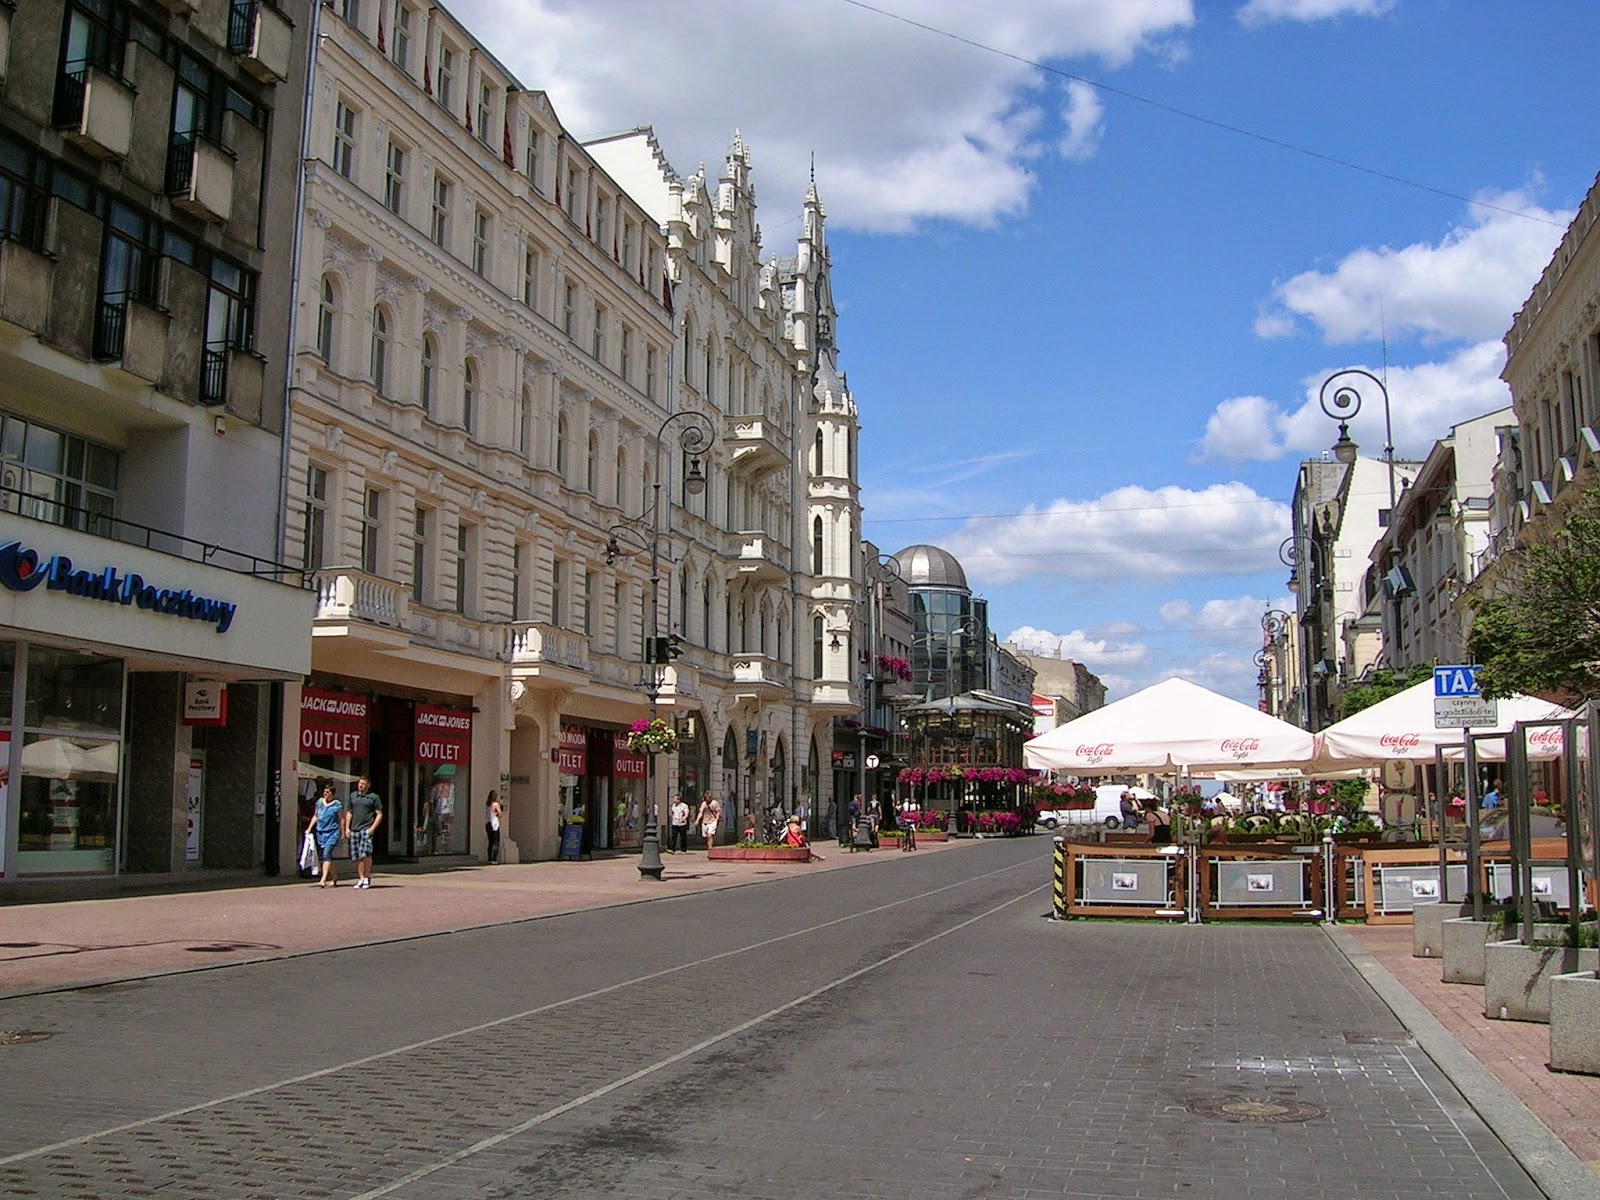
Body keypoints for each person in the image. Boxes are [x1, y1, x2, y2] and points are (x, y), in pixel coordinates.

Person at [343, 776, 383, 890]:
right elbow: (349, 812)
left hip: (366, 829)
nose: (361, 785)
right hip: (354, 829)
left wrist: (372, 828)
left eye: (363, 784)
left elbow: (379, 814)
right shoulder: (353, 796)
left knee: (365, 853)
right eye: (360, 783)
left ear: (368, 785)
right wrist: (347, 828)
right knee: (357, 855)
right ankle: (360, 878)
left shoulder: (373, 797)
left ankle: (367, 876)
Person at [306, 783, 344, 889]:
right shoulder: (319, 802)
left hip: (332, 832)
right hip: (321, 832)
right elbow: (316, 816)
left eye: (328, 792)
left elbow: (342, 818)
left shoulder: (337, 805)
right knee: (326, 856)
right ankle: (334, 877)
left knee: (326, 854)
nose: (325, 794)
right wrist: (309, 828)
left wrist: (344, 832)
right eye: (324, 792)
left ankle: (323, 878)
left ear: (332, 794)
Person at [695, 792, 722, 856]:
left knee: (710, 835)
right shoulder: (703, 804)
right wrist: (697, 820)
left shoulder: (714, 803)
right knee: (706, 836)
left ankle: (710, 848)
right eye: (706, 797)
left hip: (712, 821)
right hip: (705, 821)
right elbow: (701, 812)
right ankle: (709, 846)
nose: (708, 799)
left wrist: (716, 819)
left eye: (709, 797)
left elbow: (718, 811)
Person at [484, 790, 503, 864]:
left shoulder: (487, 804)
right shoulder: (495, 804)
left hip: (488, 824)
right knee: (496, 842)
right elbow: (499, 814)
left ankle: (489, 858)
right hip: (494, 824)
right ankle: (494, 859)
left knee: (490, 842)